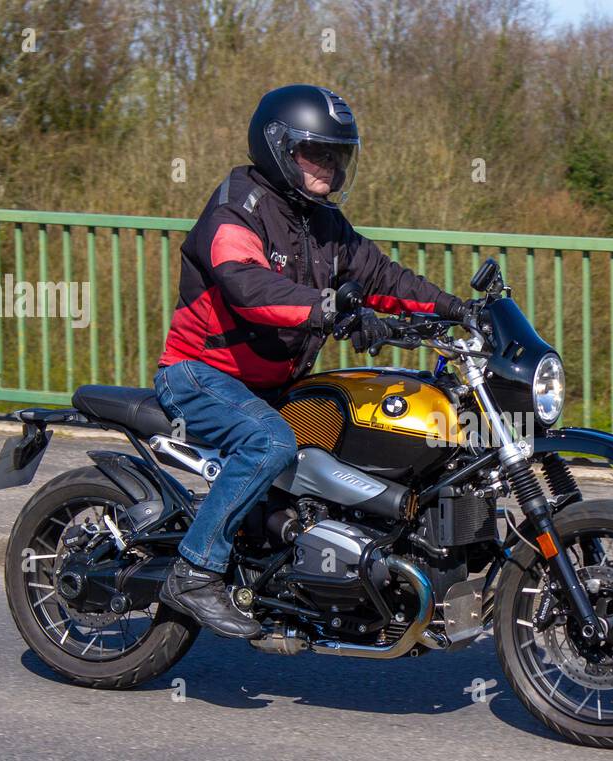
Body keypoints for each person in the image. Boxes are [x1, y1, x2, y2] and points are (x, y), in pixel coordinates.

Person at [154, 84, 468, 638]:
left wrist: (457, 309)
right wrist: (333, 308)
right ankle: (195, 569)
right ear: (278, 147)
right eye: (316, 152)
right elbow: (250, 288)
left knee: (356, 428)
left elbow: (381, 277)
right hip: (202, 376)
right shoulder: (235, 206)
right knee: (270, 442)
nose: (329, 165)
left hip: (275, 384)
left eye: (337, 154)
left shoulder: (322, 222)